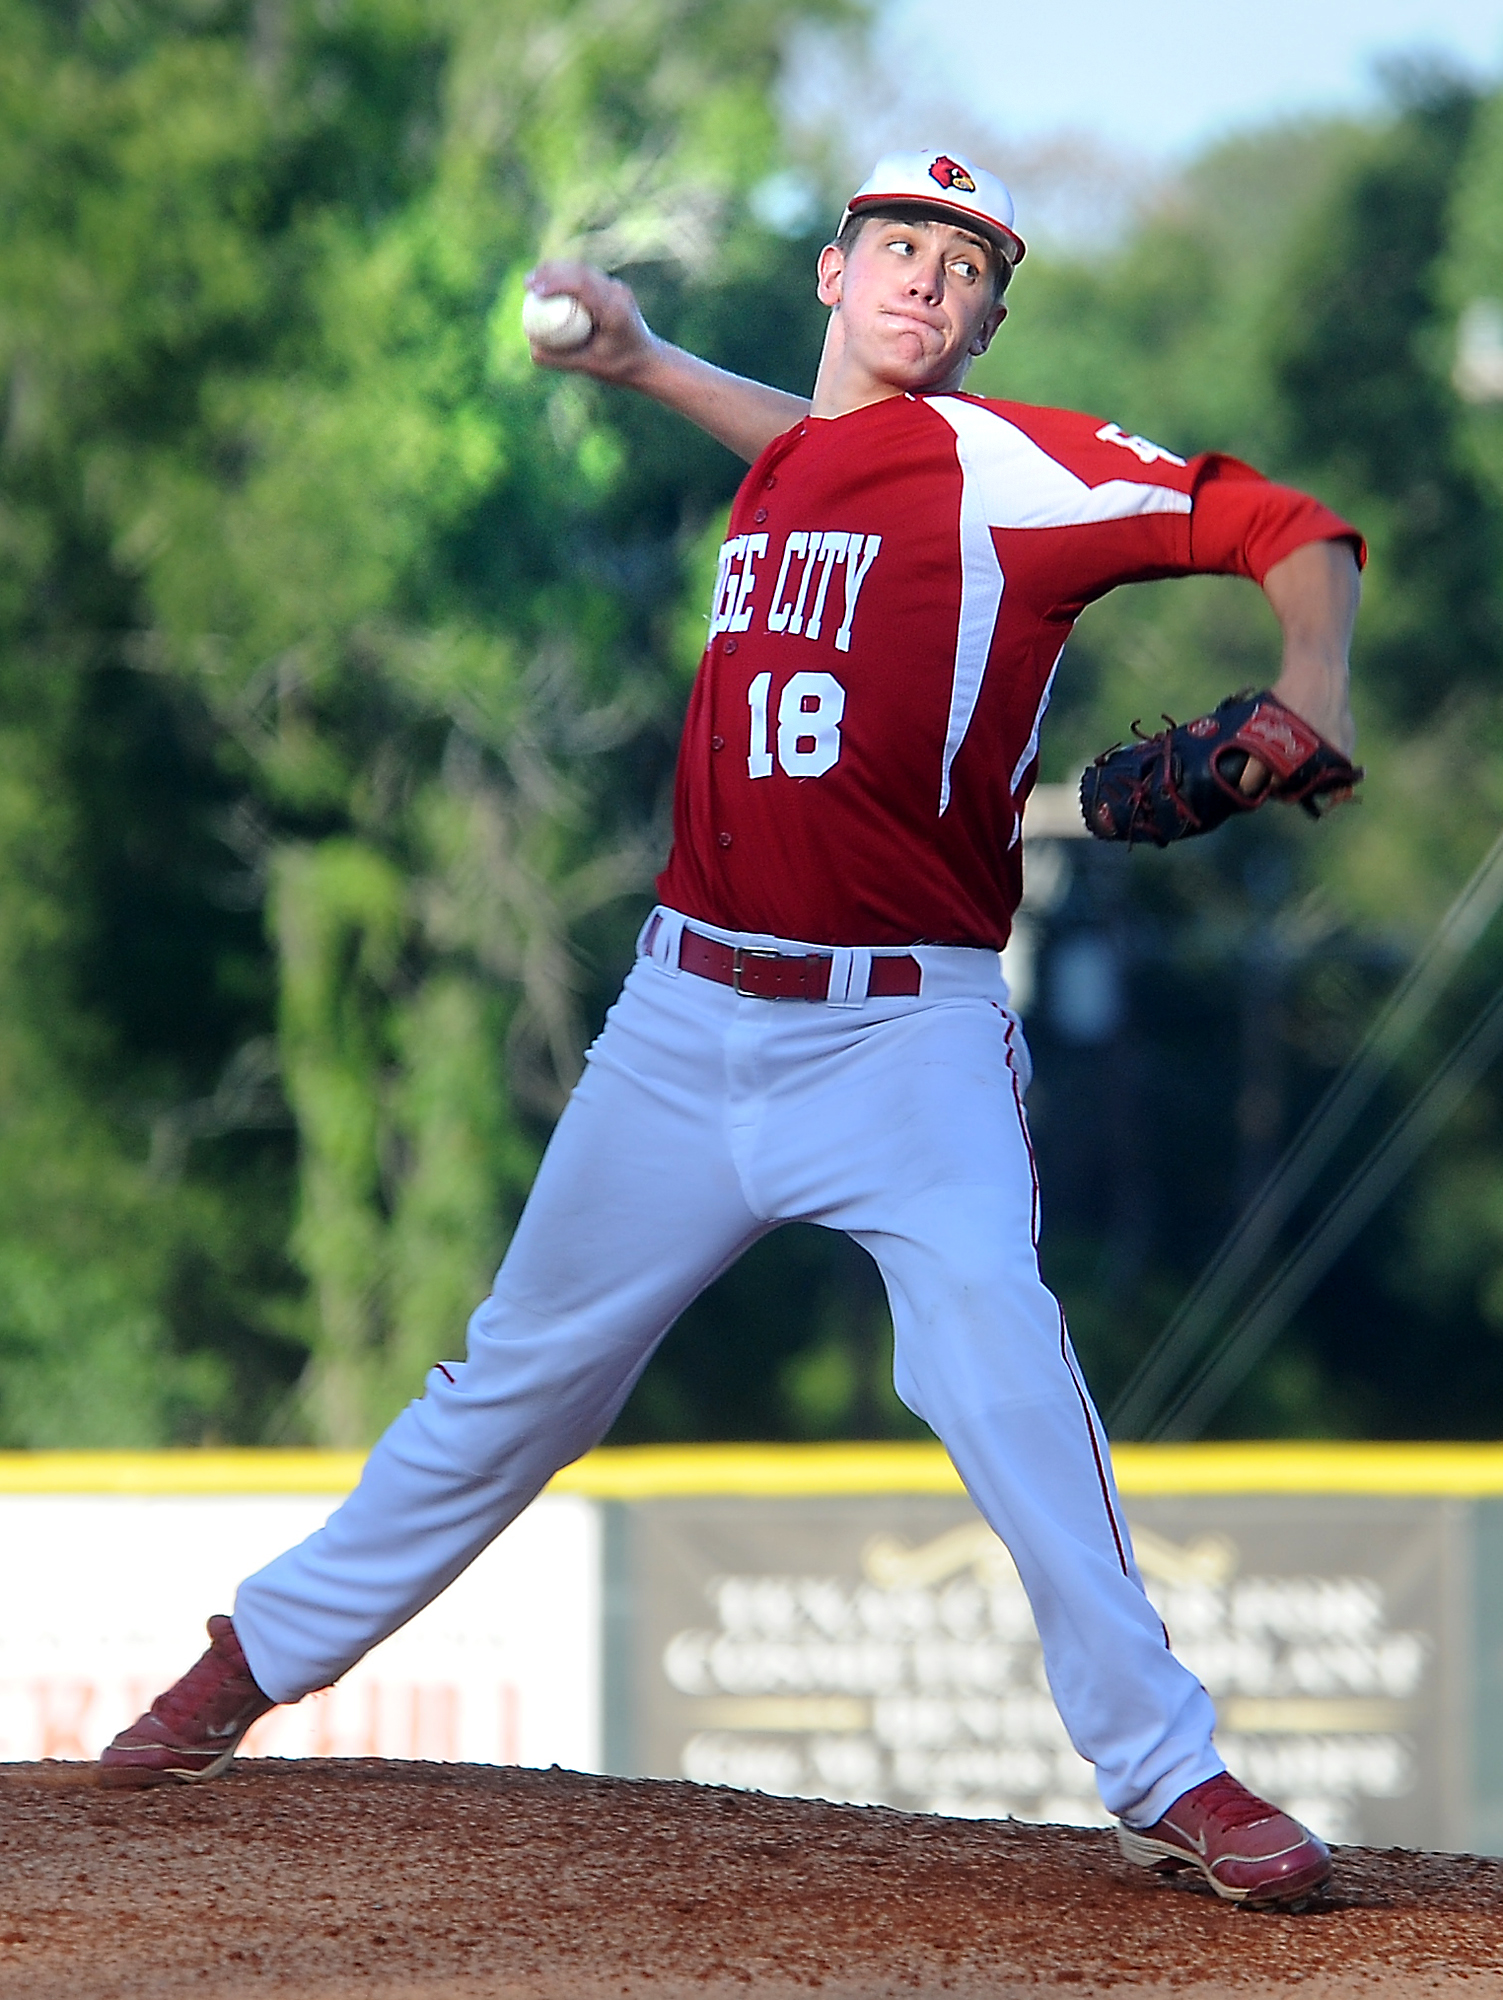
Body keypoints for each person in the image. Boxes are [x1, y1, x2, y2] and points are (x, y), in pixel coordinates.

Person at [100, 149, 1362, 1909]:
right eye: (899, 245)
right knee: (513, 1387)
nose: (929, 276)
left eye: (966, 264)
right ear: (835, 273)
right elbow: (806, 445)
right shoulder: (794, 462)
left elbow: (1289, 527)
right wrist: (635, 362)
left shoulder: (1014, 470)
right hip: (682, 1019)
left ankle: (1176, 1774)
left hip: (899, 1039)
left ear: (992, 316)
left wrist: (1311, 687)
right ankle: (240, 1671)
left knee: (995, 1358)